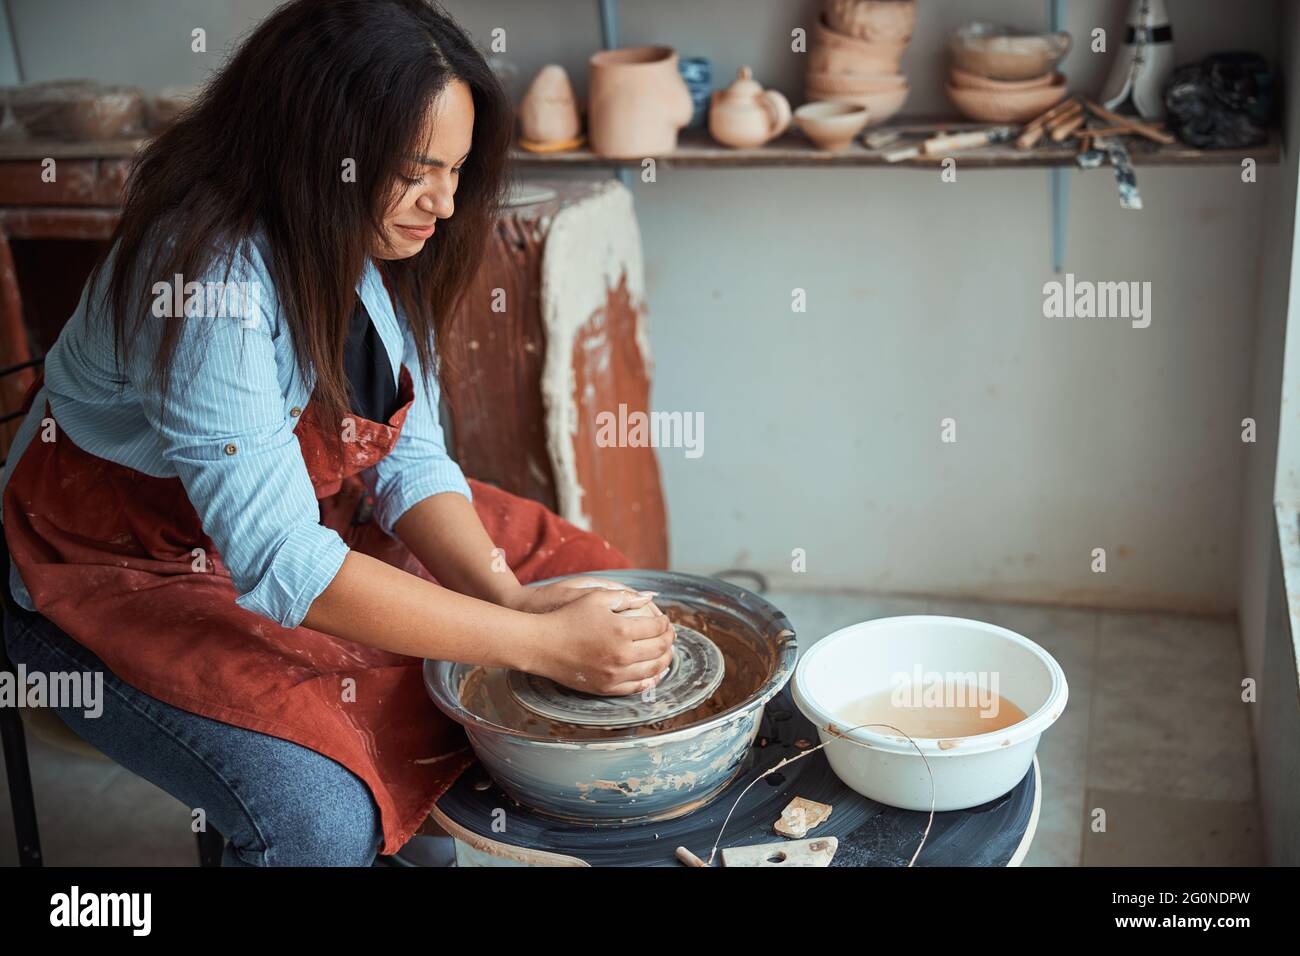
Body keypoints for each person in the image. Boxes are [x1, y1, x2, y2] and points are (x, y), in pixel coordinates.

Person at [0, 0, 672, 866]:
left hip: (300, 517)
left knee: (589, 579)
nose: (447, 202)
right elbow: (284, 565)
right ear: (320, 153)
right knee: (323, 816)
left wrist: (507, 600)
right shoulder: (209, 282)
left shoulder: (360, 235)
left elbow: (411, 460)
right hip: (114, 564)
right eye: (418, 171)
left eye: (459, 169)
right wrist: (536, 640)